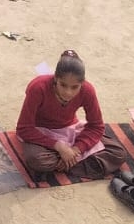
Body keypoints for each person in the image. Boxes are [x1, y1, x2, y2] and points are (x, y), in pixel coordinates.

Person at [15, 50, 125, 179]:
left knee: (118, 153)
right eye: (63, 85)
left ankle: (66, 162)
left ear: (82, 83)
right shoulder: (38, 87)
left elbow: (96, 126)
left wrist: (75, 150)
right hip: (41, 133)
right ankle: (74, 163)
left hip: (70, 131)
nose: (68, 93)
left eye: (75, 87)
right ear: (55, 78)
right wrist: (59, 146)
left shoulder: (87, 90)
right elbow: (24, 128)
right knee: (37, 160)